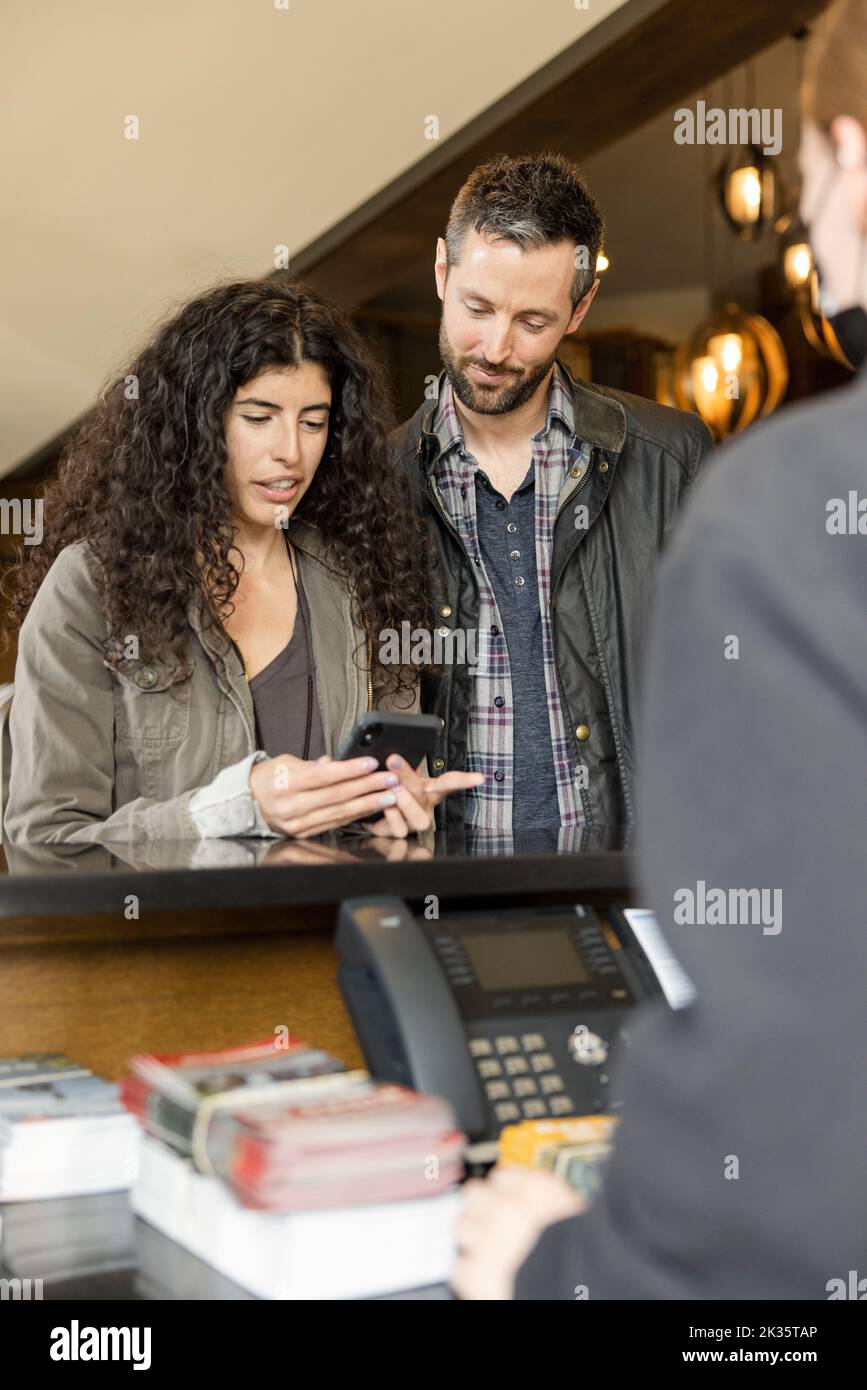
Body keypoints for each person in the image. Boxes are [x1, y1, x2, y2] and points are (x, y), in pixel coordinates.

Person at [452, 0, 867, 1299]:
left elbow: (798, 1111)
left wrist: (565, 1267)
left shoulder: (769, 498)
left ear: (847, 168)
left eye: (800, 186)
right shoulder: (373, 478)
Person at [3, 277, 481, 845]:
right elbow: (44, 842)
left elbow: (389, 813)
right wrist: (234, 807)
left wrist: (395, 821)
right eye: (259, 417)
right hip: (168, 932)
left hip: (327, 929)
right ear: (195, 424)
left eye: (313, 421)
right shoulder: (89, 585)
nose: (292, 451)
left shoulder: (364, 573)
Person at [389, 152, 713, 839]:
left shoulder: (672, 458)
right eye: (476, 308)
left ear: (580, 306)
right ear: (442, 273)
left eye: (532, 321)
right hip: (441, 896)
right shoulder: (372, 481)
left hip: (622, 890)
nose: (495, 347)